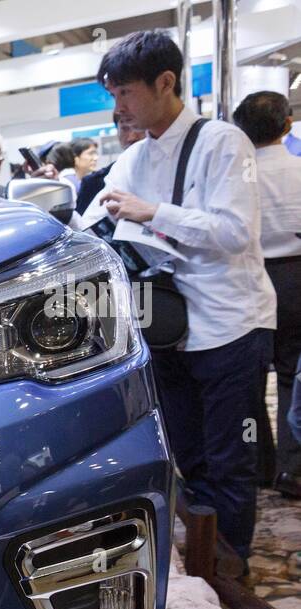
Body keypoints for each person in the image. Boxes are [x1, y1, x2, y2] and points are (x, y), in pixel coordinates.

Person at [97, 30, 276, 571]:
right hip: (168, 328)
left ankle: (233, 561)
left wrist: (152, 214)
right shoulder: (134, 158)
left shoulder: (222, 142)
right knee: (187, 456)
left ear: (165, 82)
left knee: (230, 457)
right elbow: (103, 216)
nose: (118, 107)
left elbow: (234, 233)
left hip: (231, 324)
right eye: (113, 95)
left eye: (125, 93)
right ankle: (206, 559)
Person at [234, 93, 301, 497]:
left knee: (252, 377)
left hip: (252, 277)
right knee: (294, 374)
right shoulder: (299, 169)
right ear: (288, 124)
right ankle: (294, 469)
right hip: (298, 274)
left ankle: (260, 464)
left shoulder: (240, 177)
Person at [76, 115, 146, 213]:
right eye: (125, 129)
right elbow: (83, 225)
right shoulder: (93, 183)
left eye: (138, 128)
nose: (132, 137)